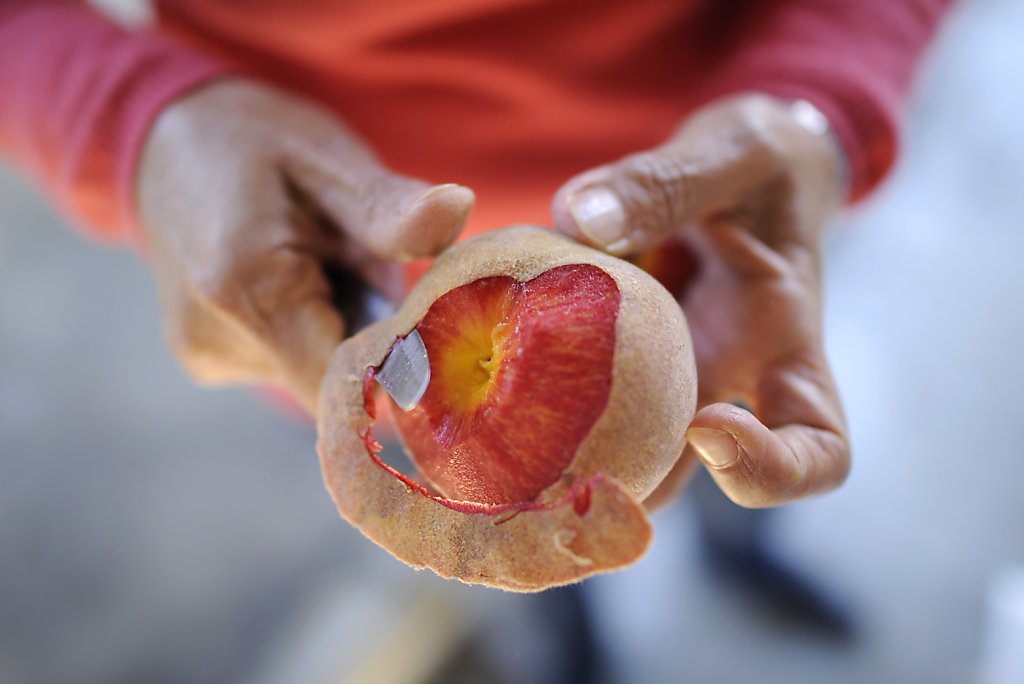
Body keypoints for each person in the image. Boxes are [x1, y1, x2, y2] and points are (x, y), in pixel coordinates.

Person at [0, 0, 949, 636]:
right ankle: (560, 639)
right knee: (506, 545)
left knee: (724, 453)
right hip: (329, 291)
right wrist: (135, 120)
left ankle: (742, 559)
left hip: (706, 227)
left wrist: (812, 98)